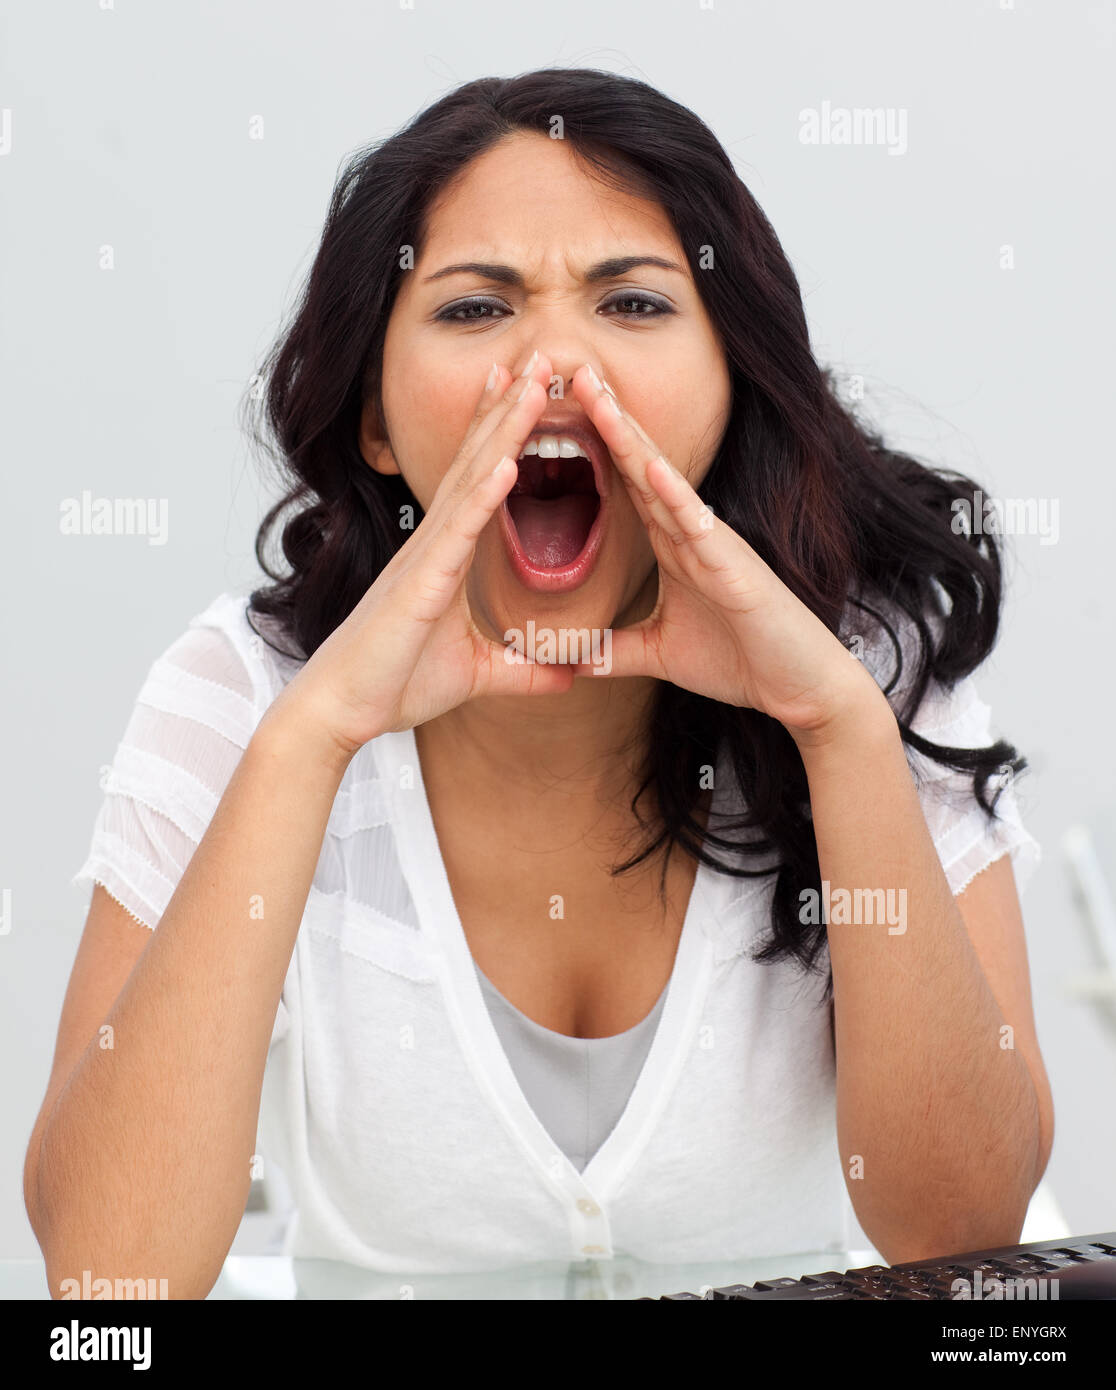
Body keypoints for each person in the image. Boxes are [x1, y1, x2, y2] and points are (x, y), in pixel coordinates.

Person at [25, 69, 1052, 1296]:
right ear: (374, 419)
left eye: (630, 300)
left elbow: (965, 1234)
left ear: (731, 385)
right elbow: (103, 1285)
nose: (556, 363)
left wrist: (837, 731)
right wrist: (314, 740)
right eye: (474, 311)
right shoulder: (243, 697)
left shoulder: (864, 675)